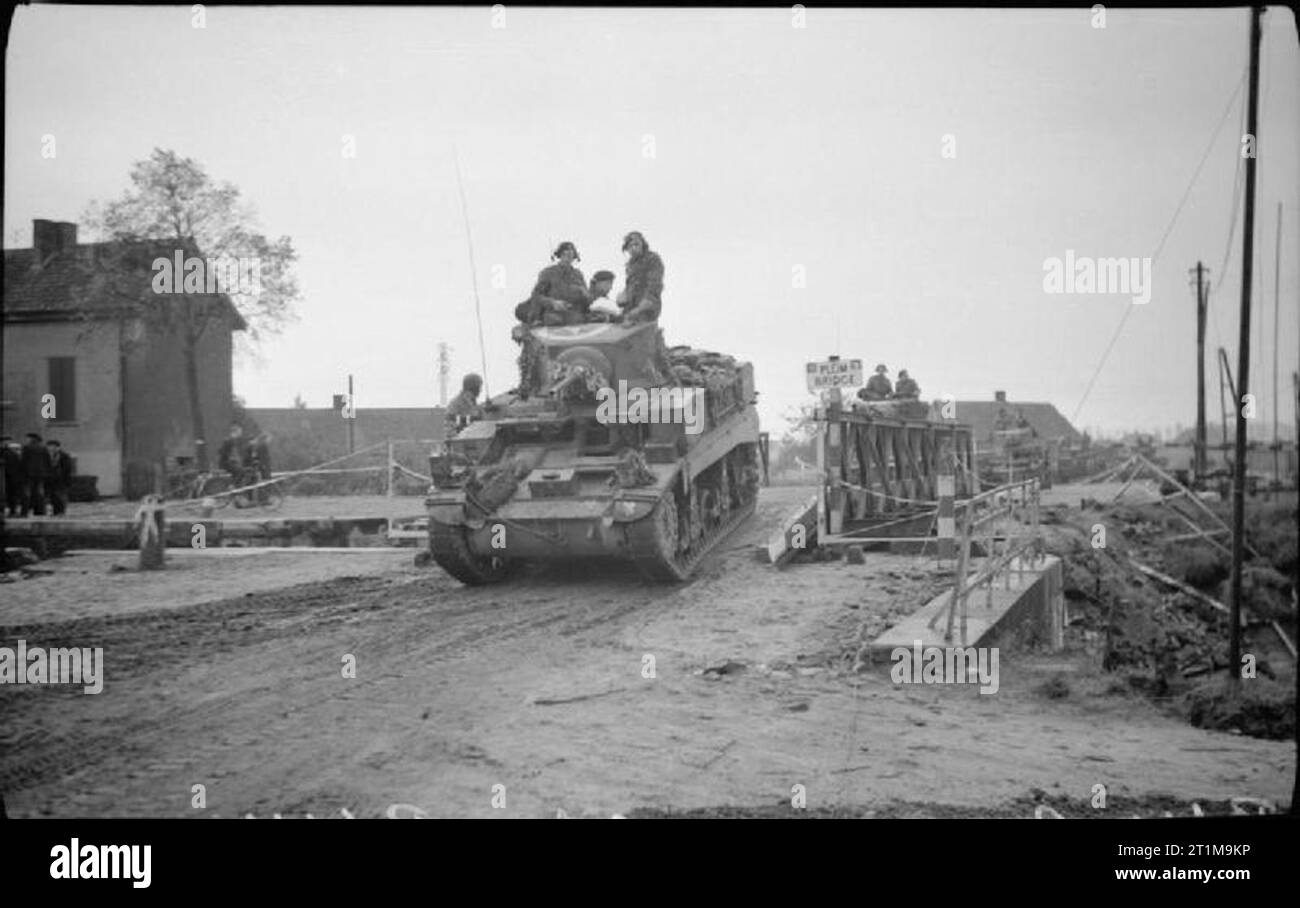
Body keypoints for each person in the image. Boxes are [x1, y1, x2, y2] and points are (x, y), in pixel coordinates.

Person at [516, 241, 591, 326]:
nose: (567, 258)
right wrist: (553, 303)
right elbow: (536, 295)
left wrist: (585, 294)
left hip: (574, 316)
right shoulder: (549, 273)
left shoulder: (578, 275)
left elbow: (587, 300)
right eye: (564, 255)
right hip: (553, 315)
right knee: (554, 321)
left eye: (571, 256)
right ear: (559, 255)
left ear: (574, 257)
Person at [616, 231, 664, 323]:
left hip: (646, 309)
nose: (633, 248)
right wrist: (623, 296)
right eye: (630, 246)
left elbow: (655, 284)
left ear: (643, 245)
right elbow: (630, 286)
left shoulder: (652, 259)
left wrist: (643, 306)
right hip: (632, 308)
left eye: (636, 244)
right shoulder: (631, 264)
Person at [20, 432, 50, 516]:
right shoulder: (43, 448)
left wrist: (21, 473)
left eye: (28, 438)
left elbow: (23, 462)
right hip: (41, 475)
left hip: (29, 474)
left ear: (32, 439)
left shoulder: (26, 448)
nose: (26, 440)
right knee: (40, 493)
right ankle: (40, 511)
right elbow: (47, 462)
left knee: (26, 493)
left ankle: (24, 511)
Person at [45, 439, 73, 516]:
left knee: (61, 496)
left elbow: (67, 468)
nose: (50, 448)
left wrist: (62, 477)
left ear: (57, 447)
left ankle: (61, 511)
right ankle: (55, 511)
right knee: (53, 496)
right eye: (49, 447)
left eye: (52, 447)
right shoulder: (48, 456)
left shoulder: (64, 456)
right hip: (52, 480)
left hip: (62, 480)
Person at [2, 436, 24, 517]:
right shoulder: (10, 454)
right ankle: (12, 511)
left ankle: (12, 511)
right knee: (11, 495)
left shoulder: (10, 454)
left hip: (11, 478)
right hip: (10, 478)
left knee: (11, 495)